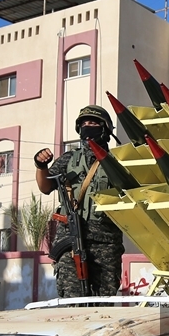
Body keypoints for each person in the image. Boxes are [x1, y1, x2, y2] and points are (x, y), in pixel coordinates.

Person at [34, 105, 125, 298]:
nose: (87, 126)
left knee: (104, 300)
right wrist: (41, 166)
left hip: (106, 244)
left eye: (92, 123)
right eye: (83, 123)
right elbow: (45, 187)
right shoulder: (68, 159)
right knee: (72, 299)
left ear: (105, 128)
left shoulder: (118, 162)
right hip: (71, 239)